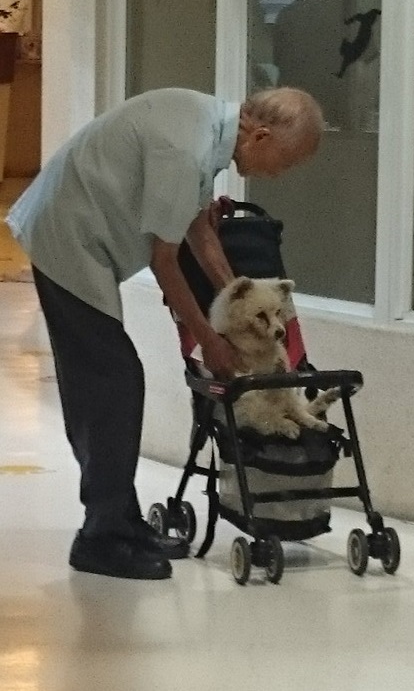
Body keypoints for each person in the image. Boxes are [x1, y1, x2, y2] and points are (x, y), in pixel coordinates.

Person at [6, 86, 324, 581]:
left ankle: (121, 521)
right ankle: (100, 537)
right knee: (111, 384)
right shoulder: (186, 147)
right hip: (65, 238)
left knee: (111, 383)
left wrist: (241, 299)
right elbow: (164, 259)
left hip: (79, 233)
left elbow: (198, 228)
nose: (281, 174)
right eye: (286, 161)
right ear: (260, 135)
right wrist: (210, 340)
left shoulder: (206, 128)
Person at [273, 0, 347, 128]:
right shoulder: (352, 19)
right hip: (341, 128)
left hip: (291, 125)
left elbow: (282, 67)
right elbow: (365, 81)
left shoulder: (287, 16)